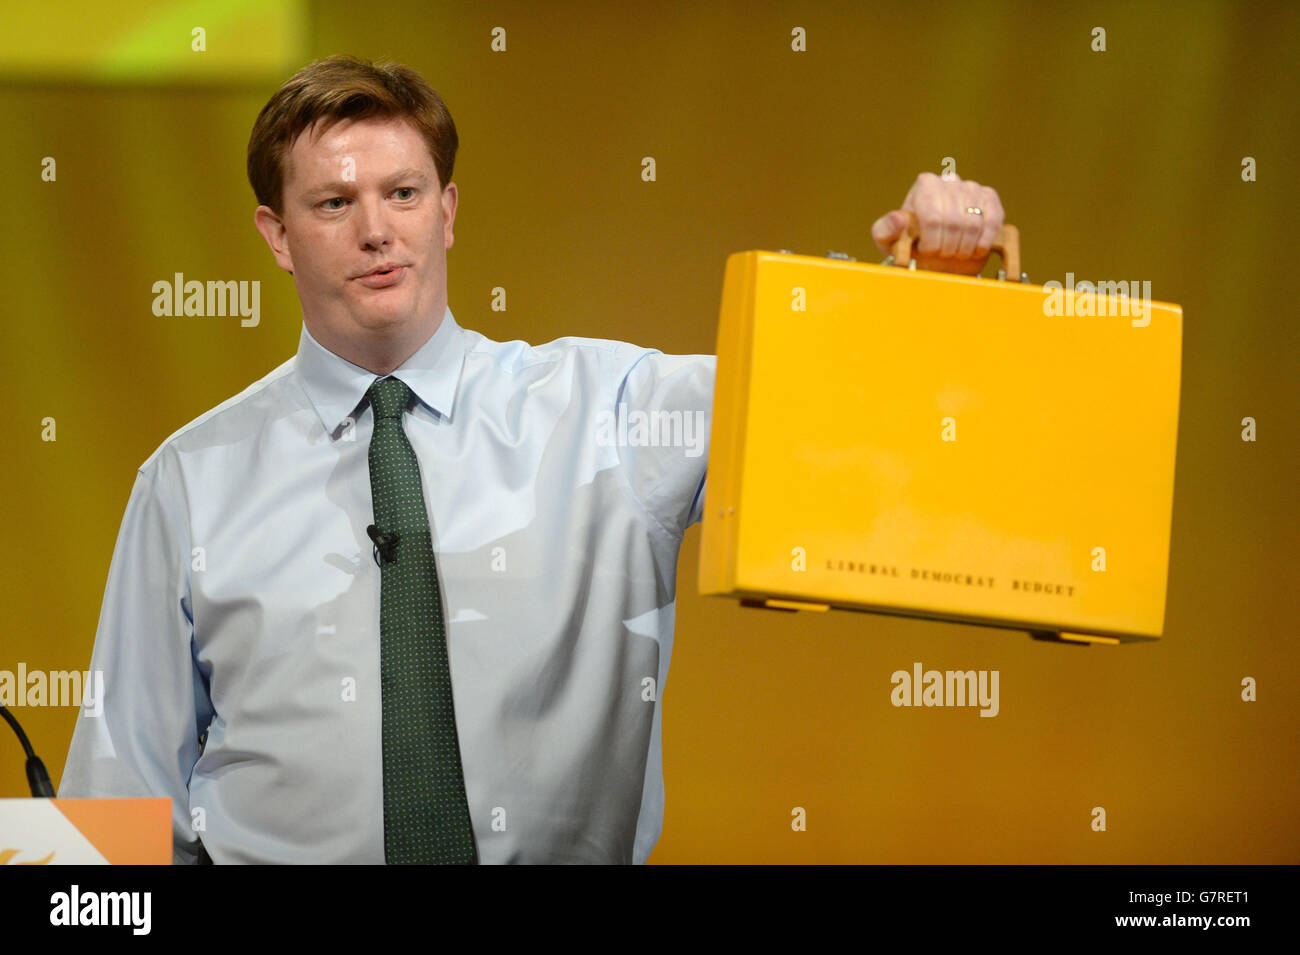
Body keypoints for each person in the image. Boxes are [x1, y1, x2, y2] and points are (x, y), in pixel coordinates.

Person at [58, 55, 1006, 864]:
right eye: (334, 202)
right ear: (275, 234)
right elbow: (116, 793)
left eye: (403, 193)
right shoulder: (190, 476)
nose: (376, 230)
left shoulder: (613, 410)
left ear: (449, 210)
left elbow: (845, 405)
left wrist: (932, 278)